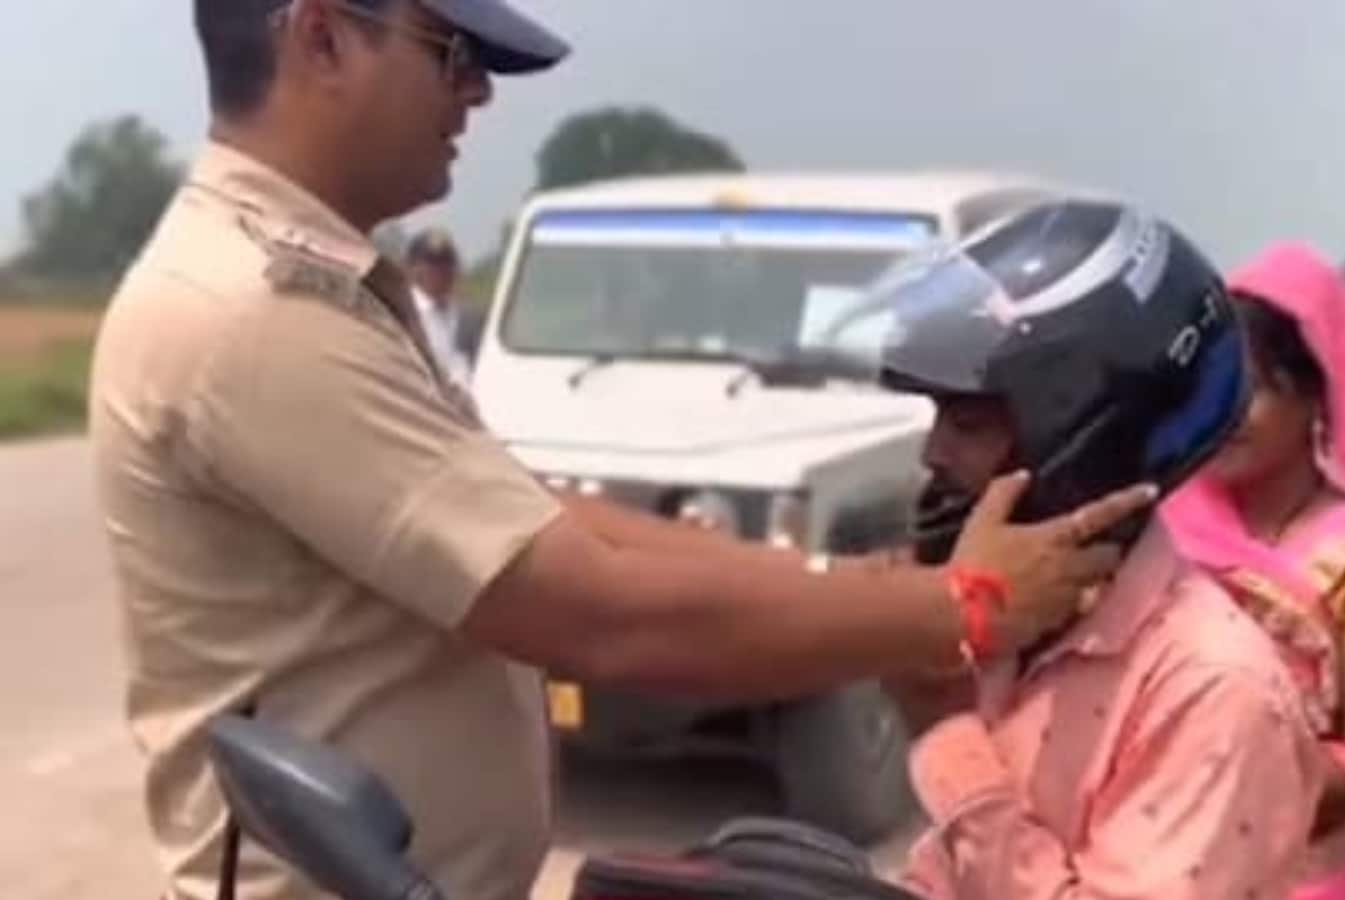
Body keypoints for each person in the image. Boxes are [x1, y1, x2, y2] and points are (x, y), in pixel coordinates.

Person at [87, 3, 1155, 899]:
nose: (480, 96)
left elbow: (549, 518)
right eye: (453, 56)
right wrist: (954, 609)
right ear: (320, 38)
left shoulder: (317, 285)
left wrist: (850, 587)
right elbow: (589, 610)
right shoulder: (251, 314)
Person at [823, 200, 1325, 900]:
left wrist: (945, 733)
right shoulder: (1007, 616)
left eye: (967, 424)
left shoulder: (1213, 690)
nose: (933, 455)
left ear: (1088, 442)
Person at [1161, 242, 1345, 899]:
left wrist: (1196, 785)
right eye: (1208, 390)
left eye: (1252, 389)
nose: (1223, 416)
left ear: (1316, 392)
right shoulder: (1164, 531)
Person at [405, 226, 476, 387]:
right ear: (413, 268)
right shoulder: (402, 314)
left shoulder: (468, 318)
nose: (442, 270)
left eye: (448, 262)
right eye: (433, 263)